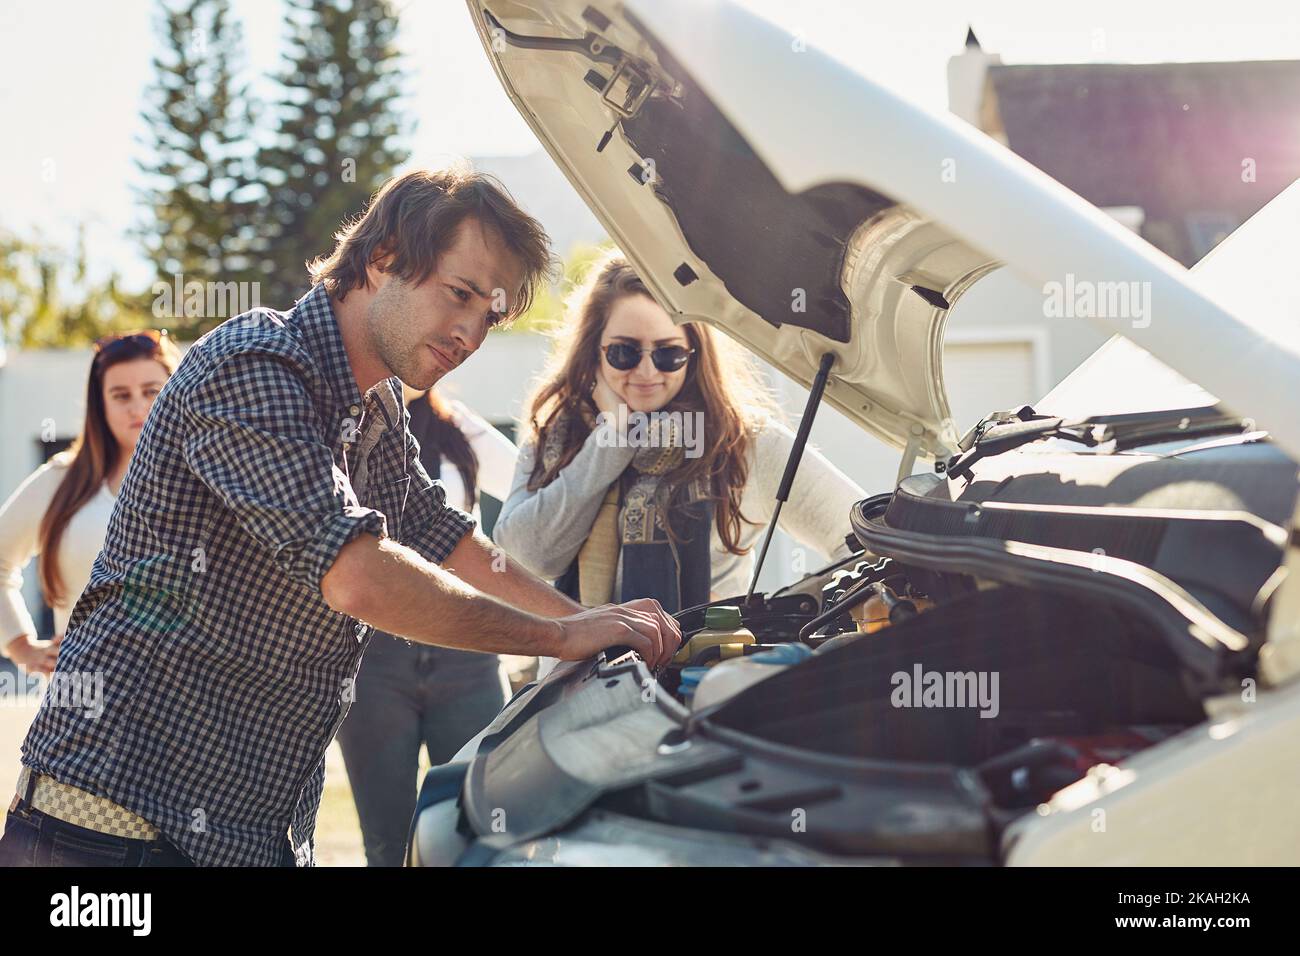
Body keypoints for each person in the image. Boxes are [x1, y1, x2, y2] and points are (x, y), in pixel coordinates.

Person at [0, 167, 679, 869]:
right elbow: (357, 577)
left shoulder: (376, 406)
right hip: (111, 831)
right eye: (460, 295)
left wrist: (595, 631)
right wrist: (559, 637)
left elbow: (439, 532)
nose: (471, 333)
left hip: (245, 835)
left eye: (491, 316)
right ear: (384, 258)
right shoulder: (252, 364)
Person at [494, 253, 864, 626]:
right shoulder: (561, 432)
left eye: (668, 354)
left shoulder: (743, 442)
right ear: (594, 351)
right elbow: (527, 559)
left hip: (697, 676)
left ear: (694, 354)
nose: (646, 371)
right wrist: (615, 437)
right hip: (574, 679)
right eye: (624, 352)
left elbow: (862, 538)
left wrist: (785, 617)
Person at [336, 387, 518, 867]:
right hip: (374, 659)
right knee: (386, 839)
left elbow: (529, 486)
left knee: (480, 826)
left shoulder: (459, 426)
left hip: (467, 652)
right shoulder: (340, 425)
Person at [0, 331, 180, 677]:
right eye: (121, 395)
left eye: (151, 392)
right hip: (84, 701)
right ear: (101, 405)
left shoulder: (204, 479)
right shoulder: (61, 481)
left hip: (184, 703)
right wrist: (20, 646)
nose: (138, 407)